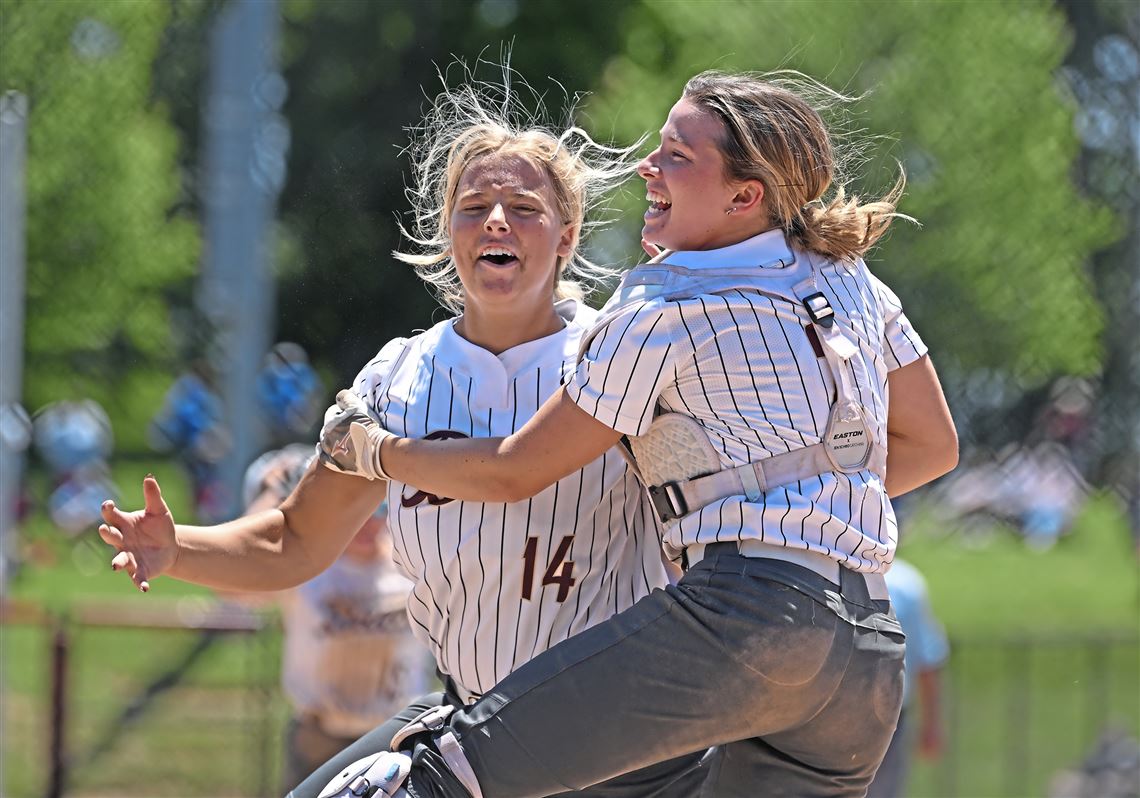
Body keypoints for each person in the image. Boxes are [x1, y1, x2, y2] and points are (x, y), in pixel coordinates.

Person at [313, 69, 959, 798]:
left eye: (677, 156)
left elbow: (513, 470)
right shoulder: (853, 280)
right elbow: (934, 445)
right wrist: (799, 509)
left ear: (745, 196)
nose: (649, 167)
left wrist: (374, 449)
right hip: (867, 652)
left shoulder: (662, 302)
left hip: (745, 619)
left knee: (433, 778)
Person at [98, 71, 712, 798]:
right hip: (474, 718)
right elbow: (293, 541)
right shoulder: (398, 379)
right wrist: (177, 549)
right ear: (446, 230)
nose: (495, 222)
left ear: (568, 234)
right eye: (474, 206)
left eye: (523, 207)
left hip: (619, 739)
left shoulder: (619, 353)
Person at [227, 444, 431, 794]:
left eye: (379, 507)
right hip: (320, 739)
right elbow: (235, 579)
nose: (371, 520)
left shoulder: (410, 559)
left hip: (398, 735)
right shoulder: (310, 566)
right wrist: (281, 492)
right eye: (357, 511)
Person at [866, 558, 949, 798]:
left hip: (882, 714)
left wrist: (932, 725)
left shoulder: (905, 582)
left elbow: (927, 660)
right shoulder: (907, 581)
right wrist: (931, 725)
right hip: (887, 711)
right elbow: (929, 661)